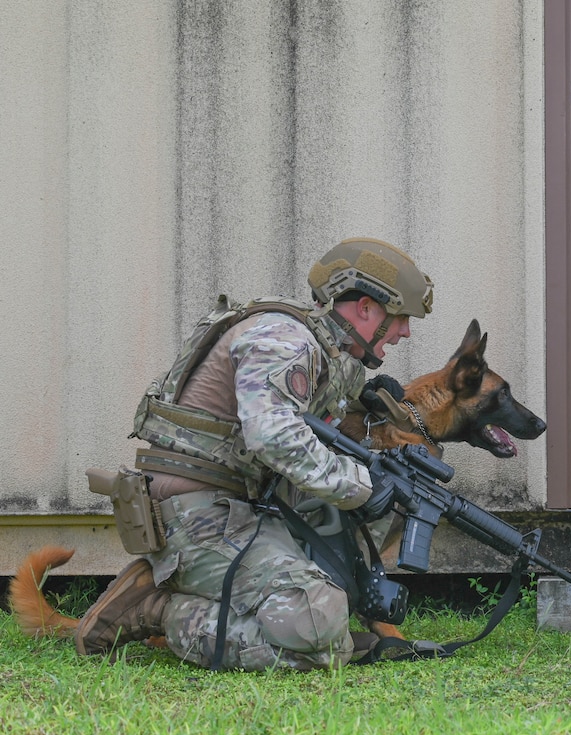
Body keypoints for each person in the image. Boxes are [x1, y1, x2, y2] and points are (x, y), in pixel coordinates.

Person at [73, 238, 433, 670]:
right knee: (317, 625)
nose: (405, 332)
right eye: (401, 318)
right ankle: (157, 608)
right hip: (198, 517)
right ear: (366, 308)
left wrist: (365, 399)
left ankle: (209, 594)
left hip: (240, 508)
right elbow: (274, 436)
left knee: (340, 585)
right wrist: (362, 486)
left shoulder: (319, 346)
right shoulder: (284, 339)